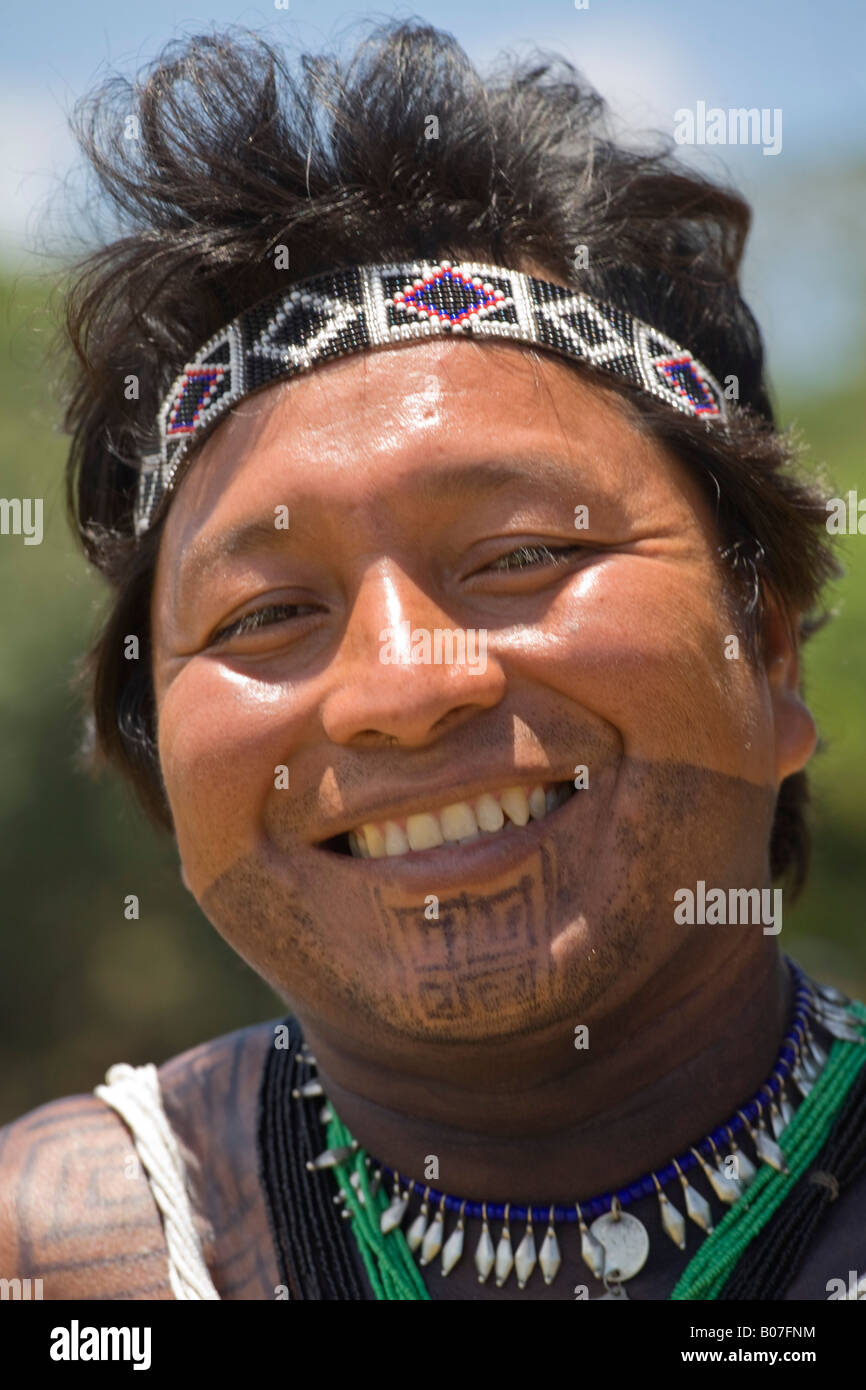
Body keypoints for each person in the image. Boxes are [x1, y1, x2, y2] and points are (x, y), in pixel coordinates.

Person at [1, 20, 864, 1303]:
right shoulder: (66, 1264)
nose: (401, 688)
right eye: (261, 615)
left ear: (767, 649)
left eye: (520, 553)